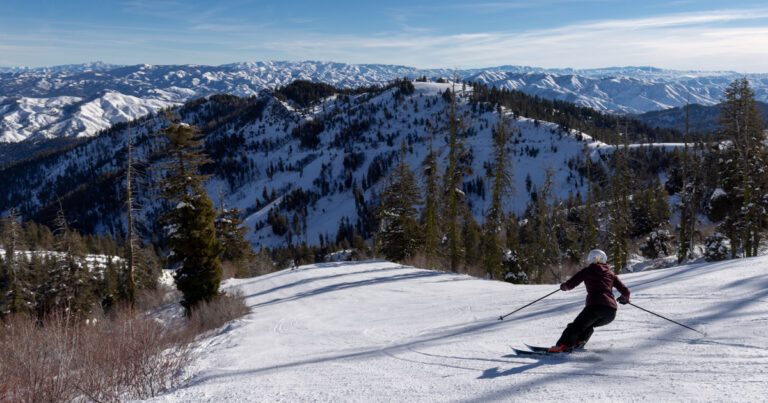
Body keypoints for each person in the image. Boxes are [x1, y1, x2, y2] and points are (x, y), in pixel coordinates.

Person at [548, 249, 630, 353]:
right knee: (588, 325)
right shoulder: (611, 274)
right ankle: (578, 343)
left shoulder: (588, 271)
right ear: (604, 259)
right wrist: (624, 299)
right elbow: (626, 291)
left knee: (576, 326)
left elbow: (571, 284)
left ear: (590, 259)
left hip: (595, 307)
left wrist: (564, 287)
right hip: (610, 312)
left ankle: (562, 346)